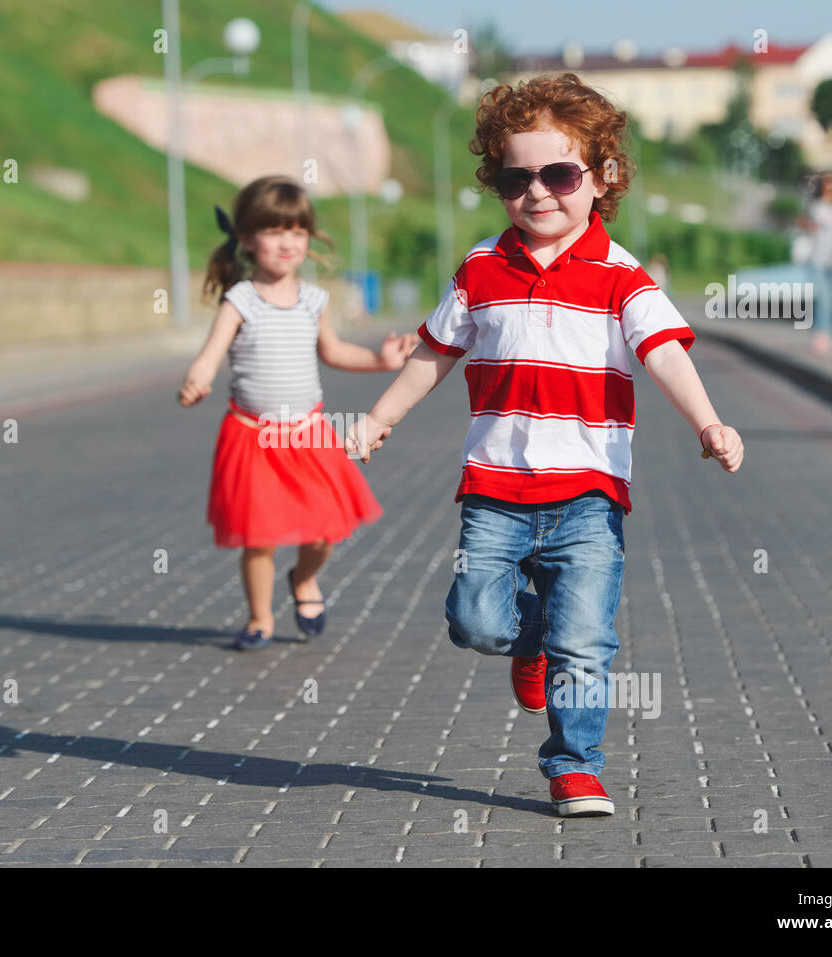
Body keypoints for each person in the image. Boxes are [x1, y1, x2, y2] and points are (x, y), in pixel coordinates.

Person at [346, 74, 744, 817]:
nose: (538, 192)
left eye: (559, 174)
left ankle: (575, 766)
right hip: (492, 491)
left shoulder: (621, 274)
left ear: (600, 178)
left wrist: (708, 422)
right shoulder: (480, 268)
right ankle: (527, 639)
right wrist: (378, 419)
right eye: (514, 177)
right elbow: (434, 352)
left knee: (585, 640)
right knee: (476, 622)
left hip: (589, 494)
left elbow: (664, 353)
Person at [178, 175, 417, 651]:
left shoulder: (314, 300)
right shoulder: (239, 300)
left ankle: (304, 580)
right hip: (252, 436)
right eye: (274, 231)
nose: (288, 242)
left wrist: (379, 361)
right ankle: (259, 618)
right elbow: (212, 351)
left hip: (309, 435)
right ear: (247, 239)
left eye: (298, 231)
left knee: (324, 531)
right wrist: (198, 376)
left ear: (309, 238)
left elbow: (333, 351)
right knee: (259, 538)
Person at [797, 172, 832, 356]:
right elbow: (801, 222)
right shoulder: (815, 207)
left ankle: (825, 331)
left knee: (831, 299)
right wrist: (809, 226)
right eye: (827, 188)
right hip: (816, 258)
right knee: (823, 297)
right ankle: (822, 335)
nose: (830, 191)